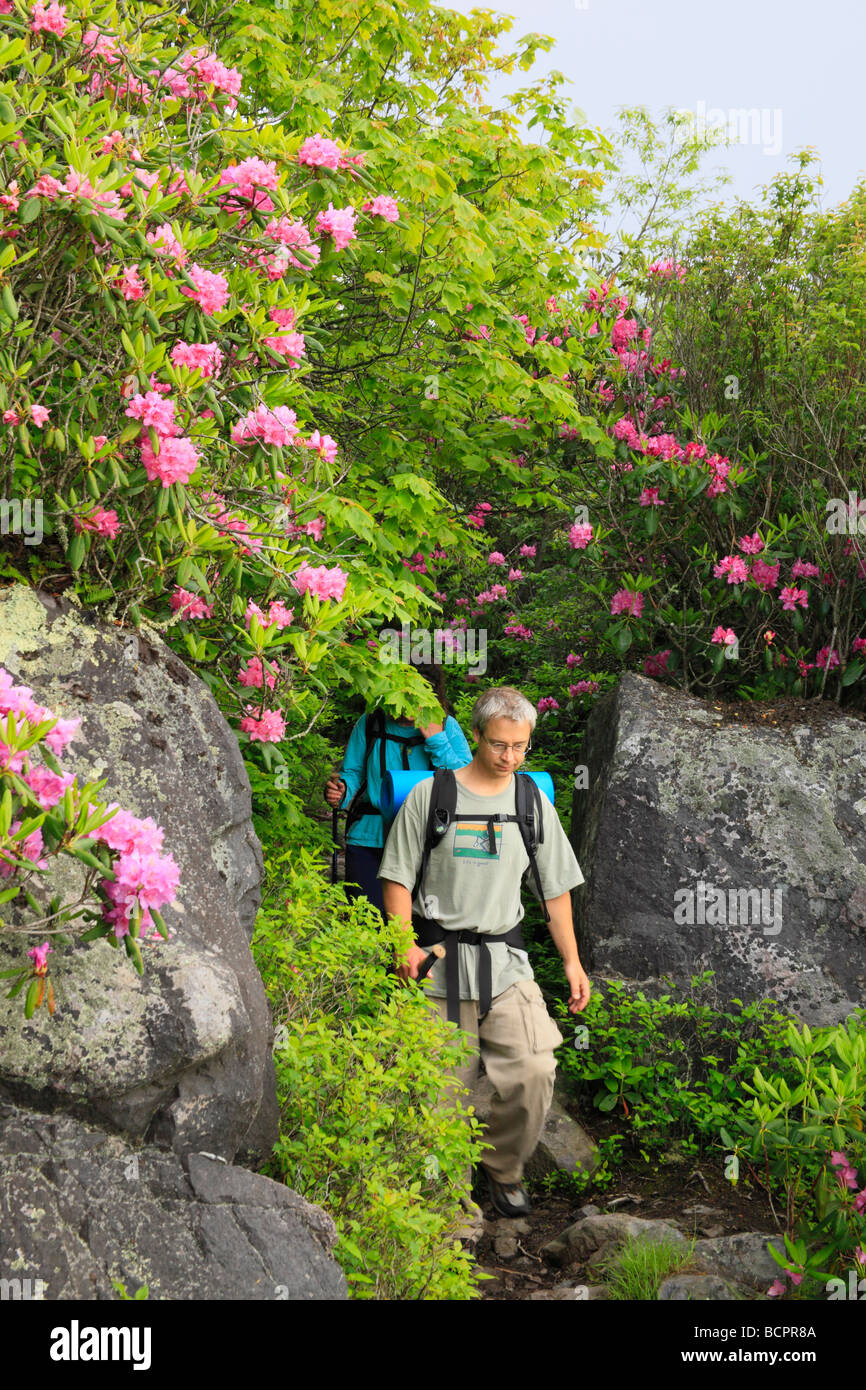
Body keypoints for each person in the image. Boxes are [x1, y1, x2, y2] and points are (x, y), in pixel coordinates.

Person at [377, 684, 591, 1218]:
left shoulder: (530, 801)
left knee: (535, 1067)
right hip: (435, 961)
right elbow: (397, 879)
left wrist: (571, 962)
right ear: (475, 736)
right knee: (439, 1094)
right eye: (499, 745)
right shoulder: (432, 796)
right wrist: (402, 943)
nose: (510, 758)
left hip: (506, 964)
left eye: (520, 748)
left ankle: (503, 1169)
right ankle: (447, 1210)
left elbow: (556, 889)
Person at [324, 664, 472, 919]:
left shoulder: (446, 727)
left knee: (418, 928)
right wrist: (342, 792)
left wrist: (435, 738)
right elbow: (353, 772)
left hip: (426, 840)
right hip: (370, 837)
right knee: (365, 921)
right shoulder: (370, 722)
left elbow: (468, 783)